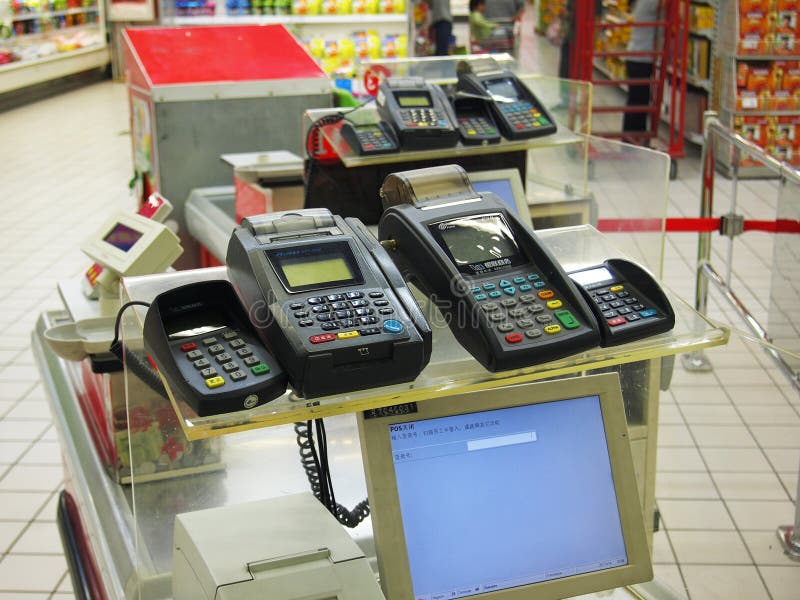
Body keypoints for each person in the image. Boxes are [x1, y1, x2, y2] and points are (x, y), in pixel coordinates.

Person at [623, 0, 660, 133]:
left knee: (636, 101)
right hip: (641, 58)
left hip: (636, 57)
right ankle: (633, 137)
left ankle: (632, 137)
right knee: (639, 103)